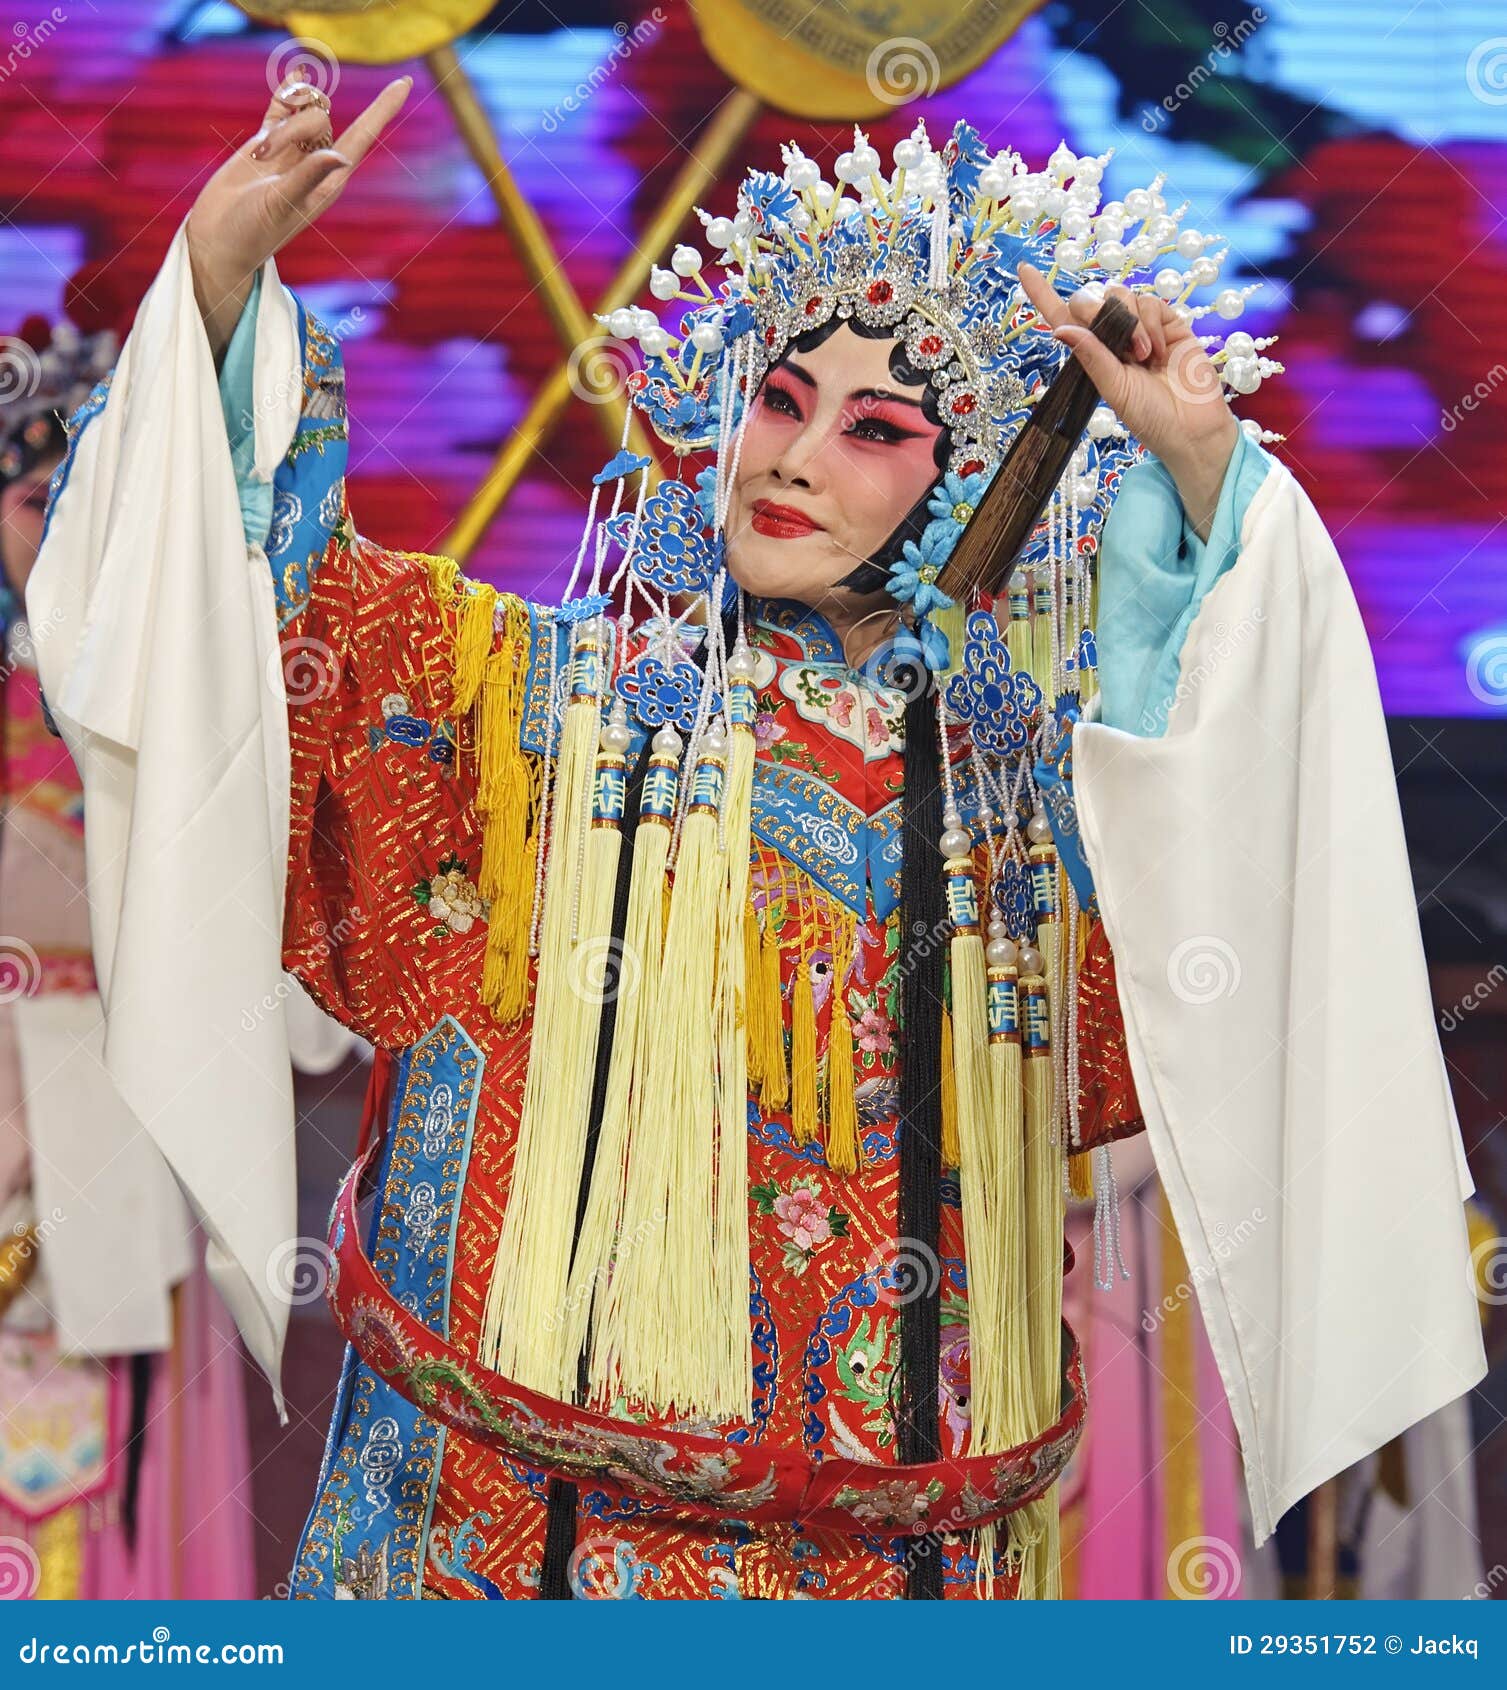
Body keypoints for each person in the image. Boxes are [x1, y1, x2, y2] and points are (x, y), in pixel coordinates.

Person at [29, 79, 1484, 1601]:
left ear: (974, 481)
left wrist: (1201, 483)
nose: (791, 457)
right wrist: (211, 287)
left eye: (873, 429)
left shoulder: (1026, 819)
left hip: (894, 1569)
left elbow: (1230, 905)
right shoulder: (509, 705)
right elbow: (222, 627)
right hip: (499, 1538)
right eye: (779, 403)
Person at [0, 320, 253, 1599]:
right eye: (34, 498)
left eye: (83, 500)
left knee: (122, 1455)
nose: (52, 527)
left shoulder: (175, 699)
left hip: (111, 1115)